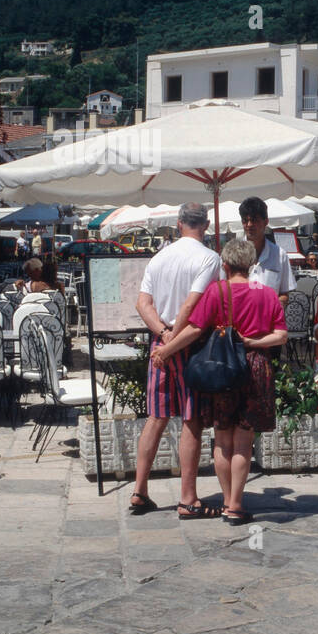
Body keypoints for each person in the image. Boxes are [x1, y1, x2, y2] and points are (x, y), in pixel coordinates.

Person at [151, 239, 287, 525]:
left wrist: (166, 349)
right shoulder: (266, 293)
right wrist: (252, 341)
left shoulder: (216, 291)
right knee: (244, 441)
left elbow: (195, 328)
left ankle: (226, 502)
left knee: (223, 439)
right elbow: (281, 336)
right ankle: (237, 504)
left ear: (224, 265)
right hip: (256, 366)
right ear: (251, 266)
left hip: (223, 369)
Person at [130, 202, 222, 518]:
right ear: (206, 225)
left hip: (161, 340)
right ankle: (188, 497)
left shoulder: (159, 257)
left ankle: (139, 490)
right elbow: (190, 305)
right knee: (191, 419)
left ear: (179, 223)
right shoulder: (210, 258)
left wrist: (162, 335)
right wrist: (174, 339)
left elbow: (143, 303)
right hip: (189, 342)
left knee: (156, 417)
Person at [237, 197, 295, 305]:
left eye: (254, 220)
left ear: (266, 222)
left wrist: (269, 309)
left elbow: (285, 294)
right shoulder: (233, 254)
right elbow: (223, 290)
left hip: (267, 319)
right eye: (245, 220)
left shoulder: (280, 255)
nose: (249, 225)